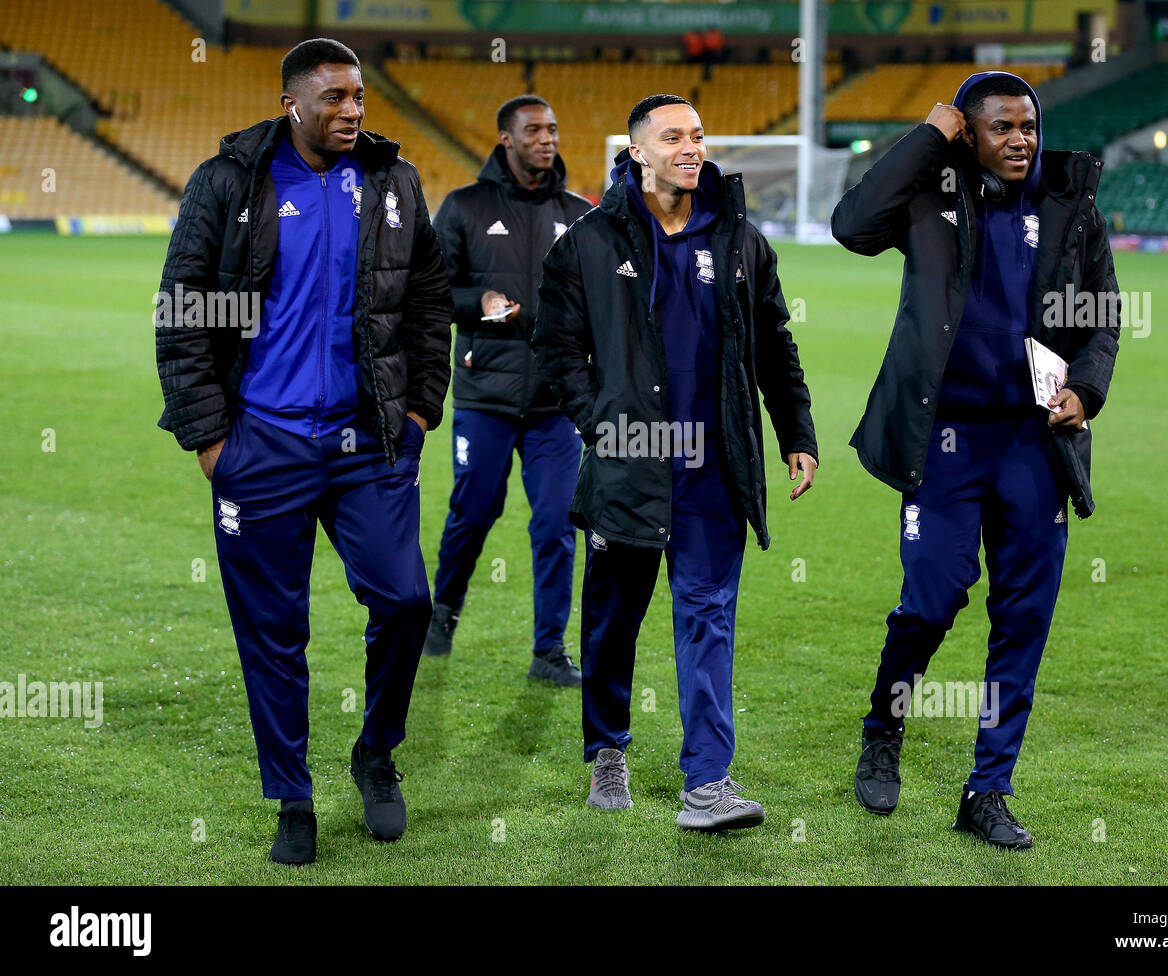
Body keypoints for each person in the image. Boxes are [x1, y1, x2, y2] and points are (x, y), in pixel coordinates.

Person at [153, 38, 452, 866]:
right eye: (333, 98)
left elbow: (429, 298)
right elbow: (184, 308)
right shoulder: (230, 182)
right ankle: (292, 797)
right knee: (274, 630)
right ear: (292, 103)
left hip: (369, 442)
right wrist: (212, 442)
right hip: (262, 445)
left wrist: (420, 411)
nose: (351, 111)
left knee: (406, 601)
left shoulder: (393, 181)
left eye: (358, 97)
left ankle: (375, 752)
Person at [831, 71, 1120, 849]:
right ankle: (884, 727)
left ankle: (988, 790)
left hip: (1032, 442)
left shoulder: (1070, 202)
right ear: (968, 132)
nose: (1021, 140)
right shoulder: (931, 193)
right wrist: (928, 137)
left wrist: (1086, 389)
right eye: (1001, 127)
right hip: (944, 438)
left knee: (1023, 616)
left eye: (1029, 125)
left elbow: (1101, 312)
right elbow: (852, 225)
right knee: (931, 599)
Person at [533, 94, 818, 831]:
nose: (690, 147)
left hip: (715, 467)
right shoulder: (590, 242)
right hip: (629, 465)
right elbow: (556, 348)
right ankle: (607, 749)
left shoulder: (739, 240)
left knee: (708, 617)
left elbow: (775, 345)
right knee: (612, 621)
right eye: (672, 137)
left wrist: (797, 431)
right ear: (637, 153)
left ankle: (708, 784)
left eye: (696, 135)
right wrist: (602, 426)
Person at [422, 96, 593, 687]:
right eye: (534, 130)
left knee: (556, 526)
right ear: (506, 139)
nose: (547, 139)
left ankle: (549, 651)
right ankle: (442, 615)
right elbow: (430, 292)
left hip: (555, 405)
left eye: (552, 129)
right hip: (485, 398)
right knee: (472, 514)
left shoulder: (578, 214)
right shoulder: (465, 207)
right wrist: (480, 301)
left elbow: (597, 300)